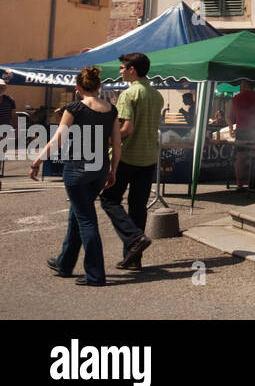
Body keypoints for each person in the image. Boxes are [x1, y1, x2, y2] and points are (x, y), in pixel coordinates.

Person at [30, 66, 121, 286]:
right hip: (100, 169)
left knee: (86, 220)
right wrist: (113, 169)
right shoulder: (111, 110)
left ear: (78, 87)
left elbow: (57, 140)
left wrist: (38, 160)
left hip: (78, 169)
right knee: (78, 213)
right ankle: (65, 263)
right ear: (99, 86)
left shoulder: (74, 108)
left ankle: (95, 274)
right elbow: (117, 143)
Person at [99, 52, 162, 271]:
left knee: (109, 199)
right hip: (148, 156)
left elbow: (126, 129)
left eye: (123, 68)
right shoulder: (156, 95)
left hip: (127, 157)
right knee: (138, 206)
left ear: (132, 70)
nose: (120, 71)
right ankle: (133, 259)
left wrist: (107, 140)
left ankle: (134, 238)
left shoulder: (128, 94)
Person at [229, 81, 255, 190]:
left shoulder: (236, 98)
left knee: (240, 157)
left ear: (243, 86)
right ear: (253, 86)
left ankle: (240, 184)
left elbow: (229, 116)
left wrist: (230, 128)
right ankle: (254, 184)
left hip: (241, 131)